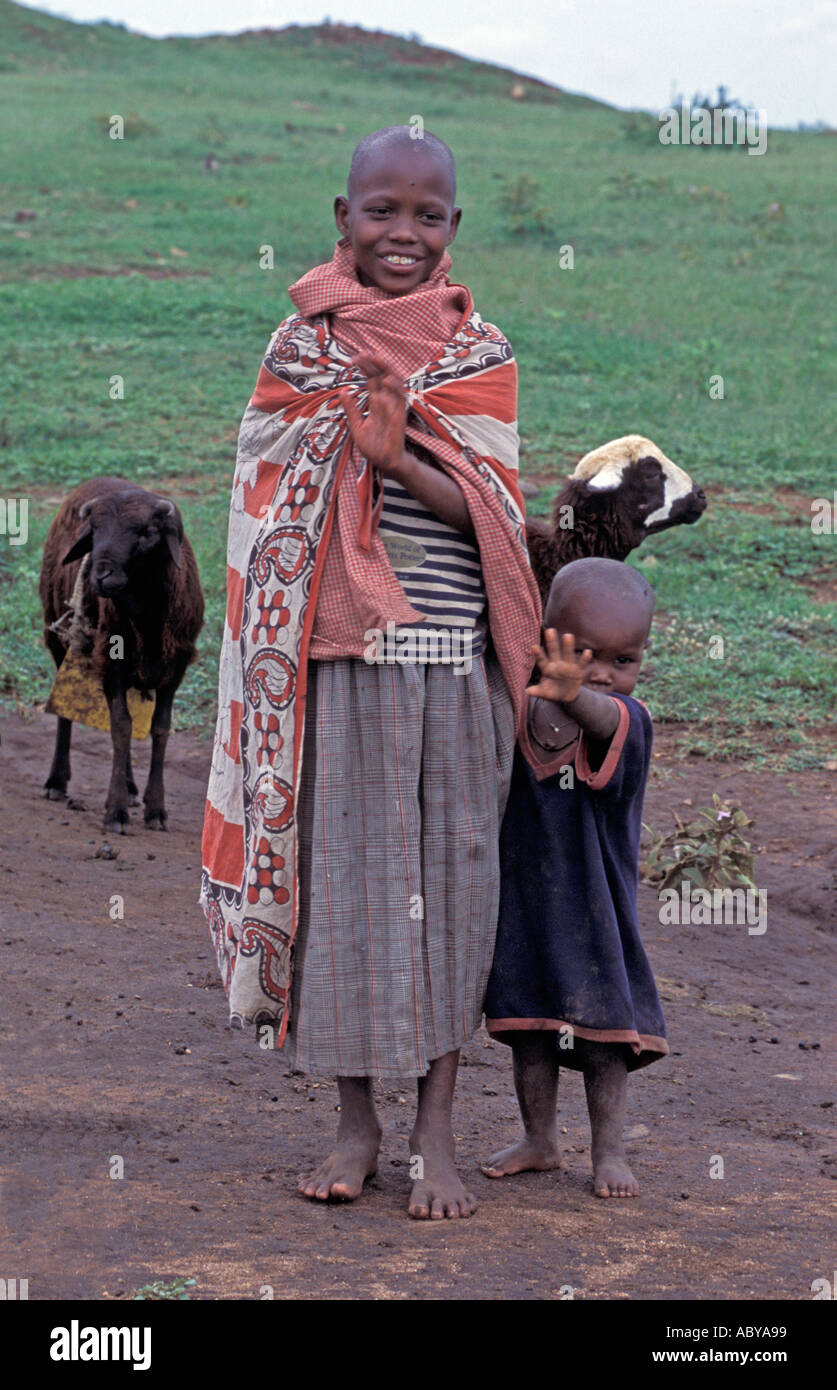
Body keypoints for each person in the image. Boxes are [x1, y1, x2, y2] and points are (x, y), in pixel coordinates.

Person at [200, 125, 541, 1219]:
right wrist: (352, 447)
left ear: (454, 227)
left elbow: (494, 515)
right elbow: (265, 497)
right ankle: (355, 1122)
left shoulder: (478, 353)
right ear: (341, 219)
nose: (403, 233)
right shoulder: (300, 350)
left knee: (453, 888)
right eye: (381, 211)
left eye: (426, 215)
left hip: (448, 663)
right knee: (340, 886)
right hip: (334, 665)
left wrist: (398, 460)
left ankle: (436, 1131)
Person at [482, 557, 668, 1198]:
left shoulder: (627, 721)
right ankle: (539, 1139)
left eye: (624, 660)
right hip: (525, 908)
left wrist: (577, 693)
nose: (604, 672)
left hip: (595, 914)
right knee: (529, 1031)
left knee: (603, 1038)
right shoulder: (517, 708)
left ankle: (609, 1151)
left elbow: (607, 719)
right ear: (543, 639)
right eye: (585, 654)